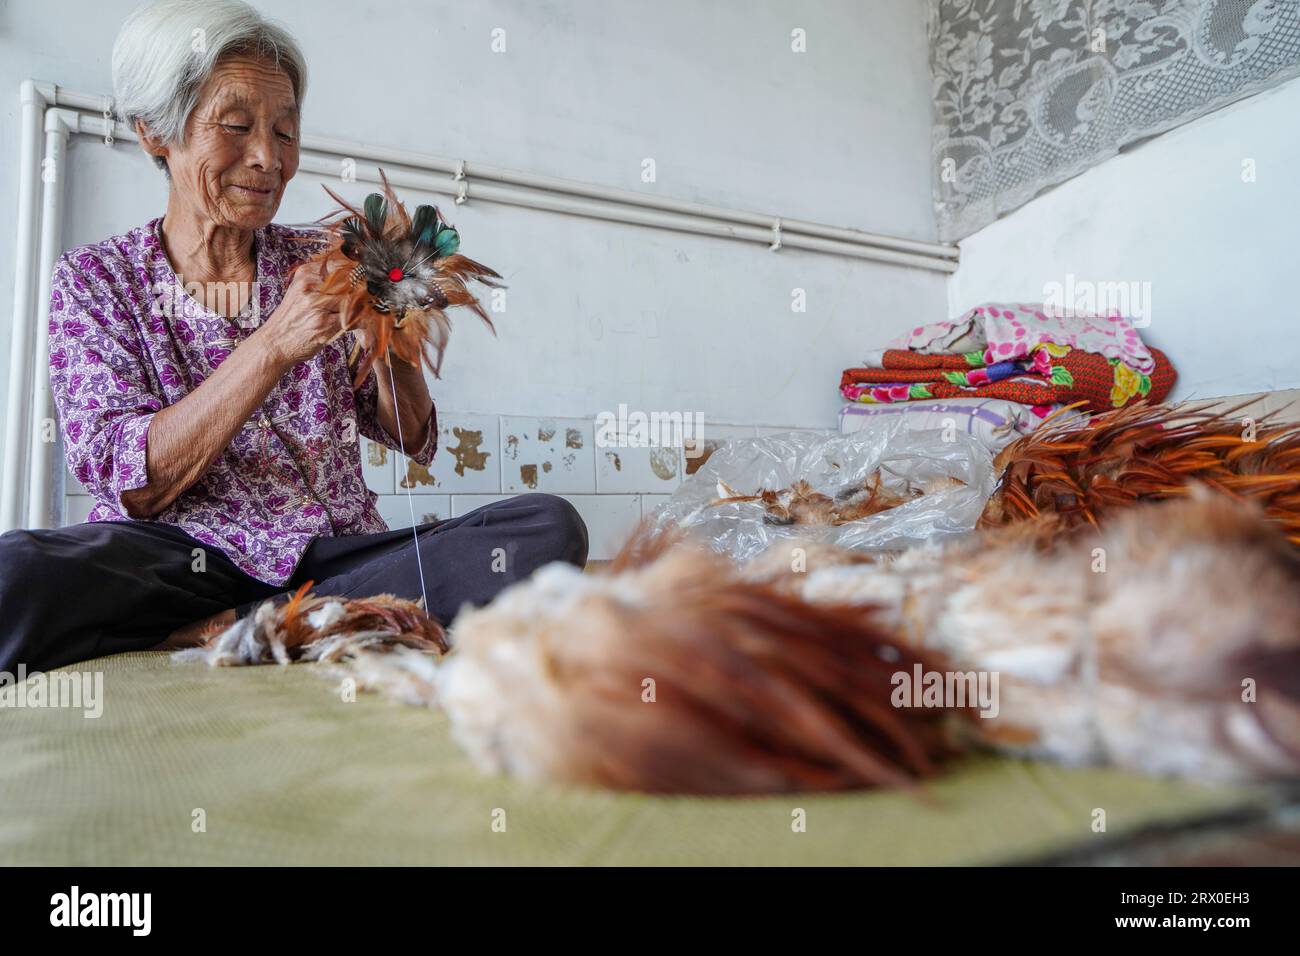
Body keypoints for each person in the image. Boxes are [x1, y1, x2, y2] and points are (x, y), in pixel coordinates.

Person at [0, 0, 587, 674]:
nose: (268, 158)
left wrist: (394, 328)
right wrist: (271, 346)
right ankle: (319, 620)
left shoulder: (325, 256)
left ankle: (256, 625)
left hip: (335, 551)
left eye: (285, 131)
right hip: (180, 560)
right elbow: (134, 484)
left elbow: (411, 437)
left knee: (544, 530)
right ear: (154, 133)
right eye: (237, 126)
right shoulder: (95, 278)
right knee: (14, 574)